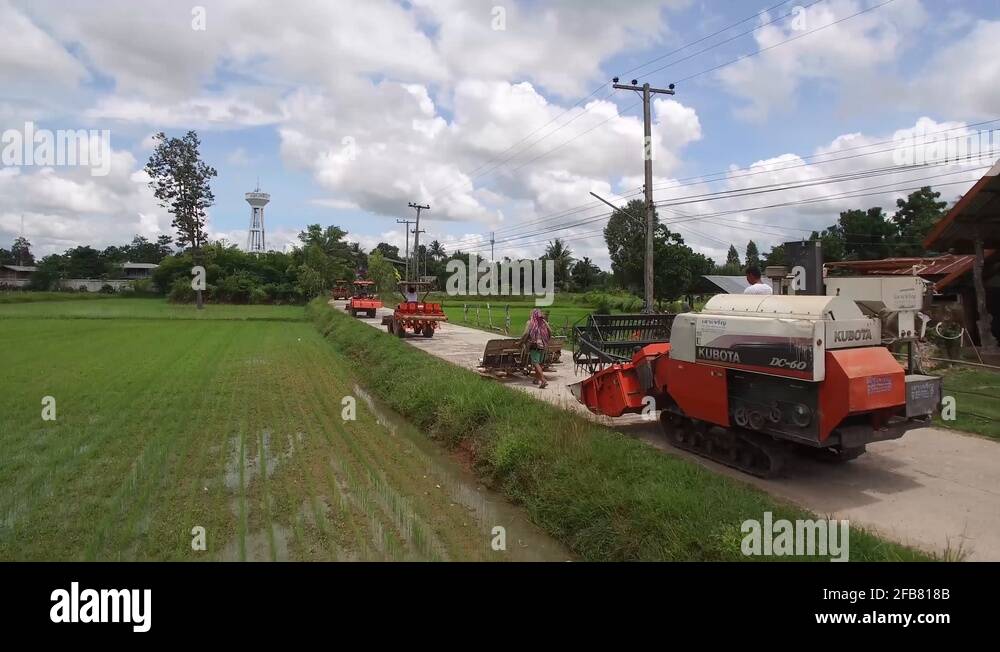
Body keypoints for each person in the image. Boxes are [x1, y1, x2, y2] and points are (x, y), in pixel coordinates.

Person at [520, 308, 551, 389]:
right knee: (539, 363)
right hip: (544, 345)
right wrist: (547, 339)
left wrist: (521, 341)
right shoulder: (544, 322)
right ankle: (536, 379)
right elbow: (550, 330)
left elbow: (526, 333)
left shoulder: (531, 322)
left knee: (535, 363)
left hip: (535, 345)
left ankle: (543, 380)